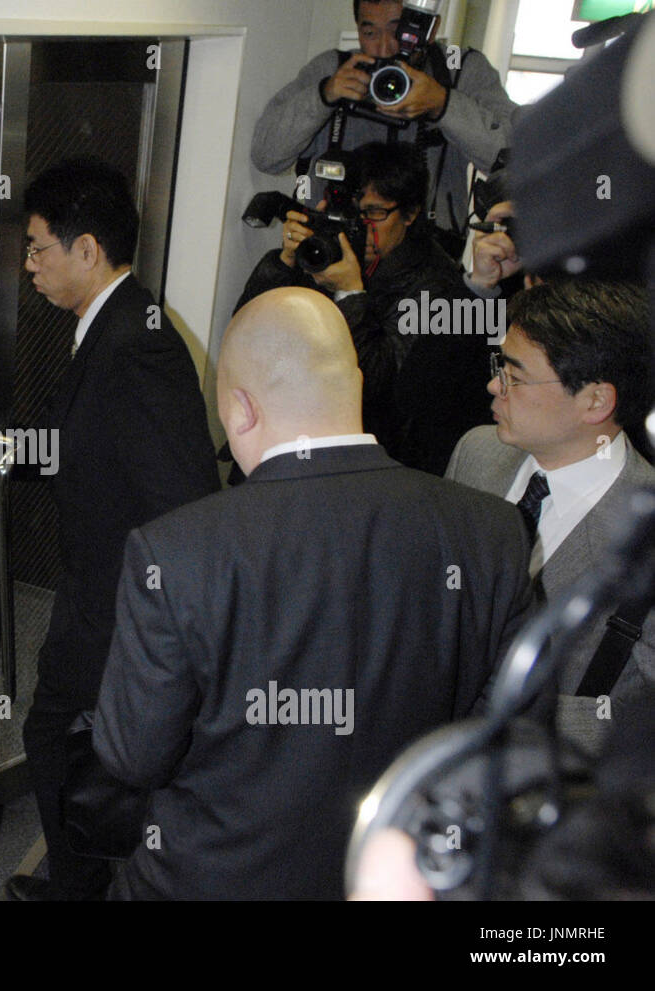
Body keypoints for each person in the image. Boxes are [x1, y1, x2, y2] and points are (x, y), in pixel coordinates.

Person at [92, 286, 532, 899]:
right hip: (399, 880)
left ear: (239, 410)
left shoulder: (176, 553)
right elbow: (506, 731)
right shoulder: (492, 531)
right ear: (353, 385)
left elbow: (133, 756)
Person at [0, 157, 219, 901]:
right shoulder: (109, 325)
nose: (31, 265)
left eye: (40, 247)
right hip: (104, 605)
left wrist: (151, 634)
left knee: (57, 742)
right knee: (68, 746)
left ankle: (84, 887)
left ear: (87, 249)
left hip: (118, 614)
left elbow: (186, 500)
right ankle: (83, 882)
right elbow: (56, 445)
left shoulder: (135, 347)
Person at [445, 278, 655, 756]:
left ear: (596, 401)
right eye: (499, 365)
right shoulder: (477, 453)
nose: (494, 385)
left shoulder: (644, 534)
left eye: (515, 376)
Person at [236, 141, 486, 475]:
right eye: (354, 211)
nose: (361, 225)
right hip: (285, 437)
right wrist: (284, 263)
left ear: (411, 213)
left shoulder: (436, 288)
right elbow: (246, 332)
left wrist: (349, 292)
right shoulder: (327, 244)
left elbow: (381, 387)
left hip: (360, 460)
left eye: (375, 213)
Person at [252, 0, 517, 245]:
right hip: (332, 250)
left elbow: (515, 156)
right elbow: (266, 156)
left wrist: (444, 105)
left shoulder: (460, 71)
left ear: (428, 28)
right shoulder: (334, 68)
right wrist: (325, 95)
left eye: (398, 32)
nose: (385, 49)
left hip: (426, 262)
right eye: (370, 33)